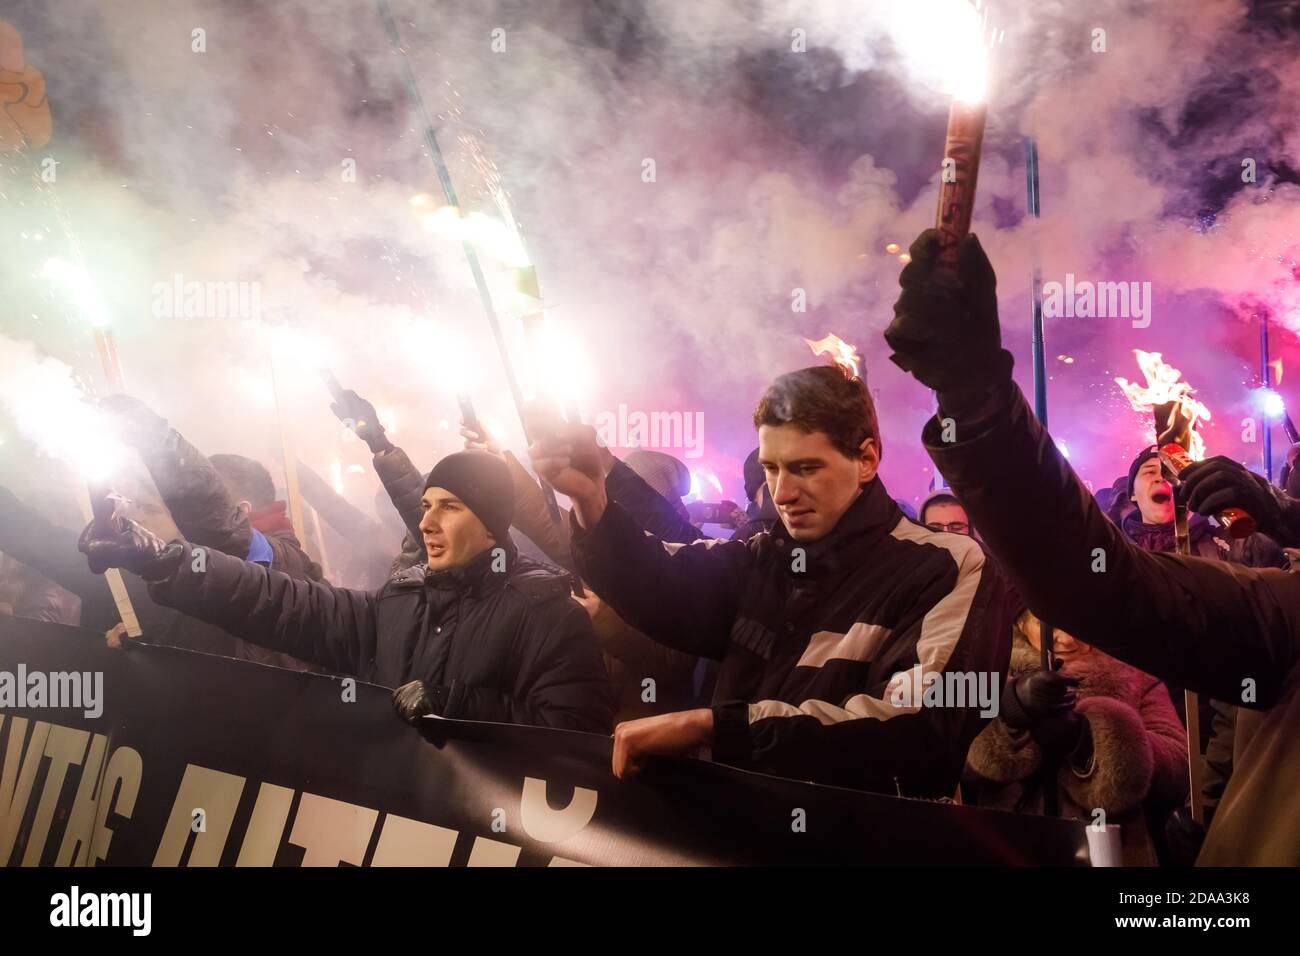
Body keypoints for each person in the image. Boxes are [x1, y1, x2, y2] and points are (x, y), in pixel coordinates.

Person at [884, 227, 1300, 864]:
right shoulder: (1283, 610)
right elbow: (1095, 581)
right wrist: (978, 405)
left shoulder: (1255, 563)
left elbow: (1187, 734)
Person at [531, 363, 1010, 796]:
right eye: (771, 467)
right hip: (742, 835)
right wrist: (592, 502)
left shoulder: (950, 564)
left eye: (805, 468)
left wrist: (719, 729)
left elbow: (922, 727)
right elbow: (660, 581)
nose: (782, 493)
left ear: (866, 459)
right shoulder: (762, 554)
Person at [78, 450, 615, 733]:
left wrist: (456, 705)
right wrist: (163, 560)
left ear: (495, 525)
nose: (427, 521)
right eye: (426, 506)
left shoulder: (548, 612)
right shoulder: (400, 600)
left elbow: (576, 739)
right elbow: (283, 604)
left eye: (450, 506)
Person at [964, 608, 1187, 865]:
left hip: (1112, 850)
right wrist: (1010, 709)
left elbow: (1178, 764)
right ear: (1020, 622)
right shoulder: (987, 667)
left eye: (1077, 619)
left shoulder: (1133, 672)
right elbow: (948, 758)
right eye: (1045, 622)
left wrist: (1088, 740)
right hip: (1008, 843)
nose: (1067, 638)